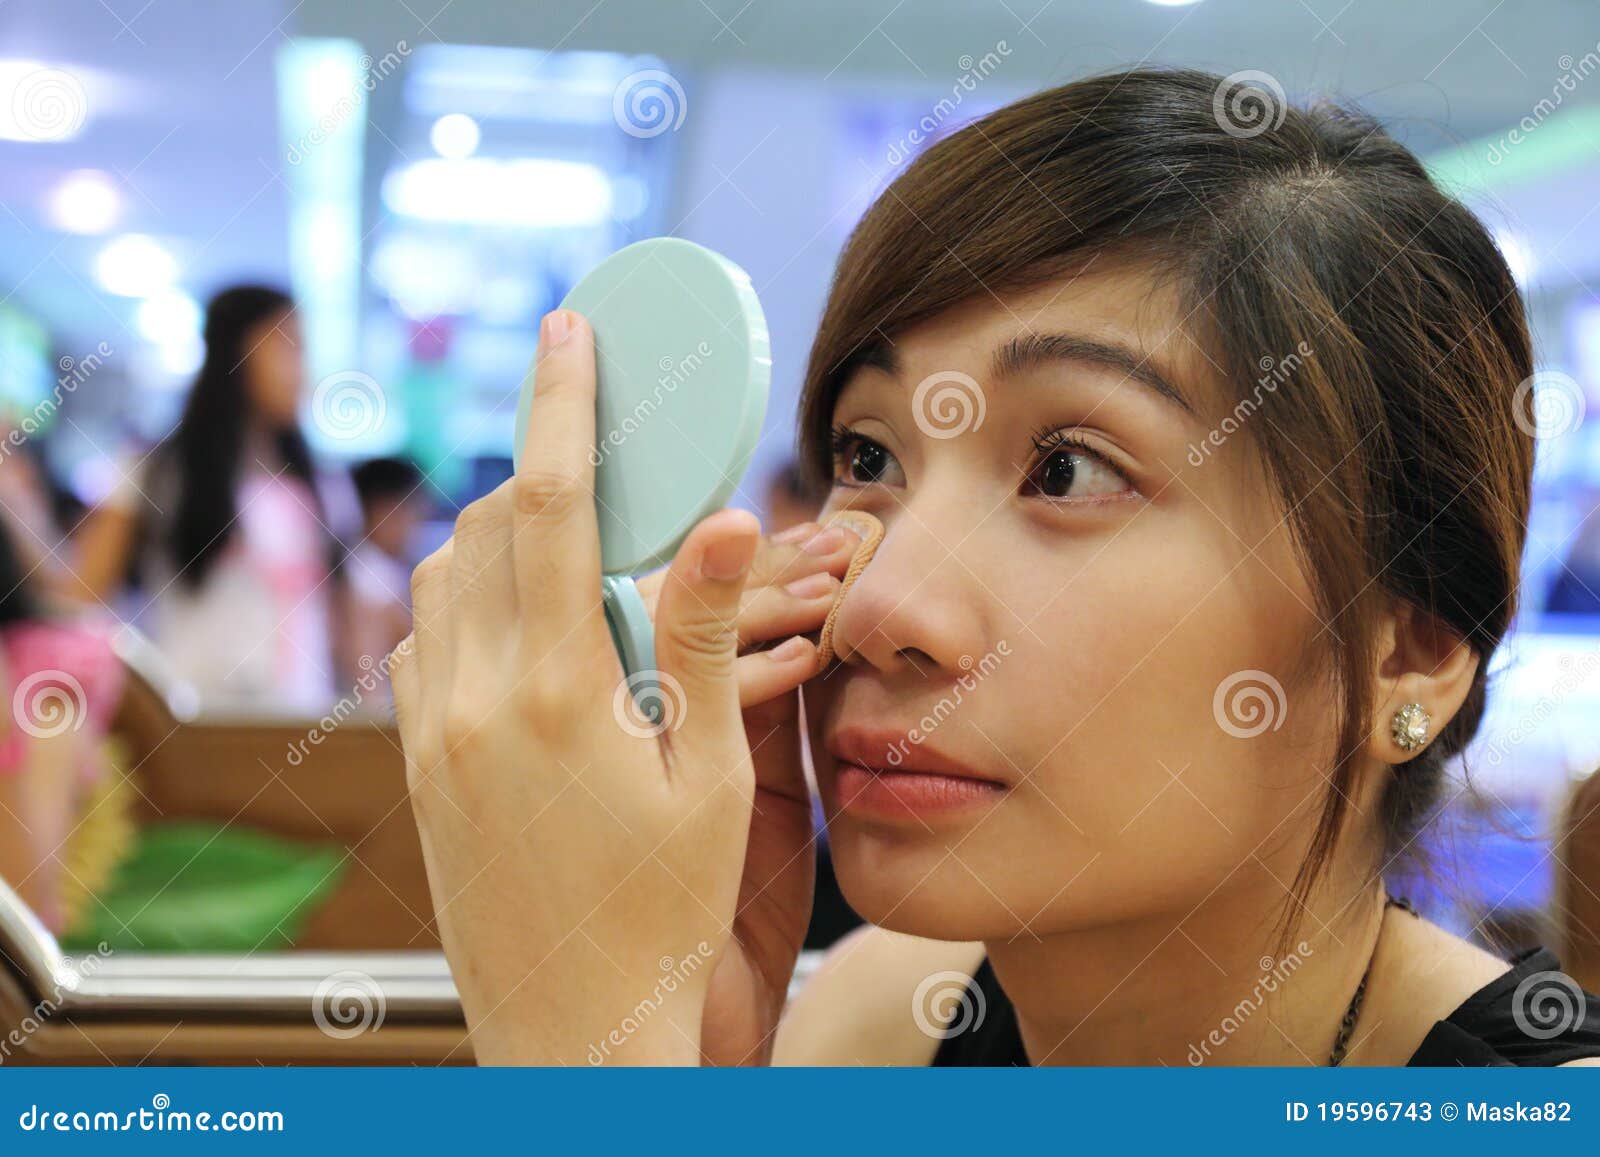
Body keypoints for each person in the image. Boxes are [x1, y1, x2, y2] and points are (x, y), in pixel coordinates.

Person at [389, 69, 1600, 1066]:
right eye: (867, 453)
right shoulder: (879, 1019)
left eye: (1067, 470)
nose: (870, 605)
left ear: (1411, 648)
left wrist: (583, 1070)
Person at [66, 286, 345, 712]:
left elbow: (342, 617)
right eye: (289, 347)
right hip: (198, 725)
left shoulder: (322, 482)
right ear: (238, 351)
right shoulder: (155, 471)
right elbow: (82, 592)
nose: (303, 372)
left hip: (305, 721)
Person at [345, 456, 427, 688]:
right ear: (384, 511)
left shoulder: (382, 568)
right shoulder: (366, 575)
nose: (415, 528)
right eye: (413, 514)